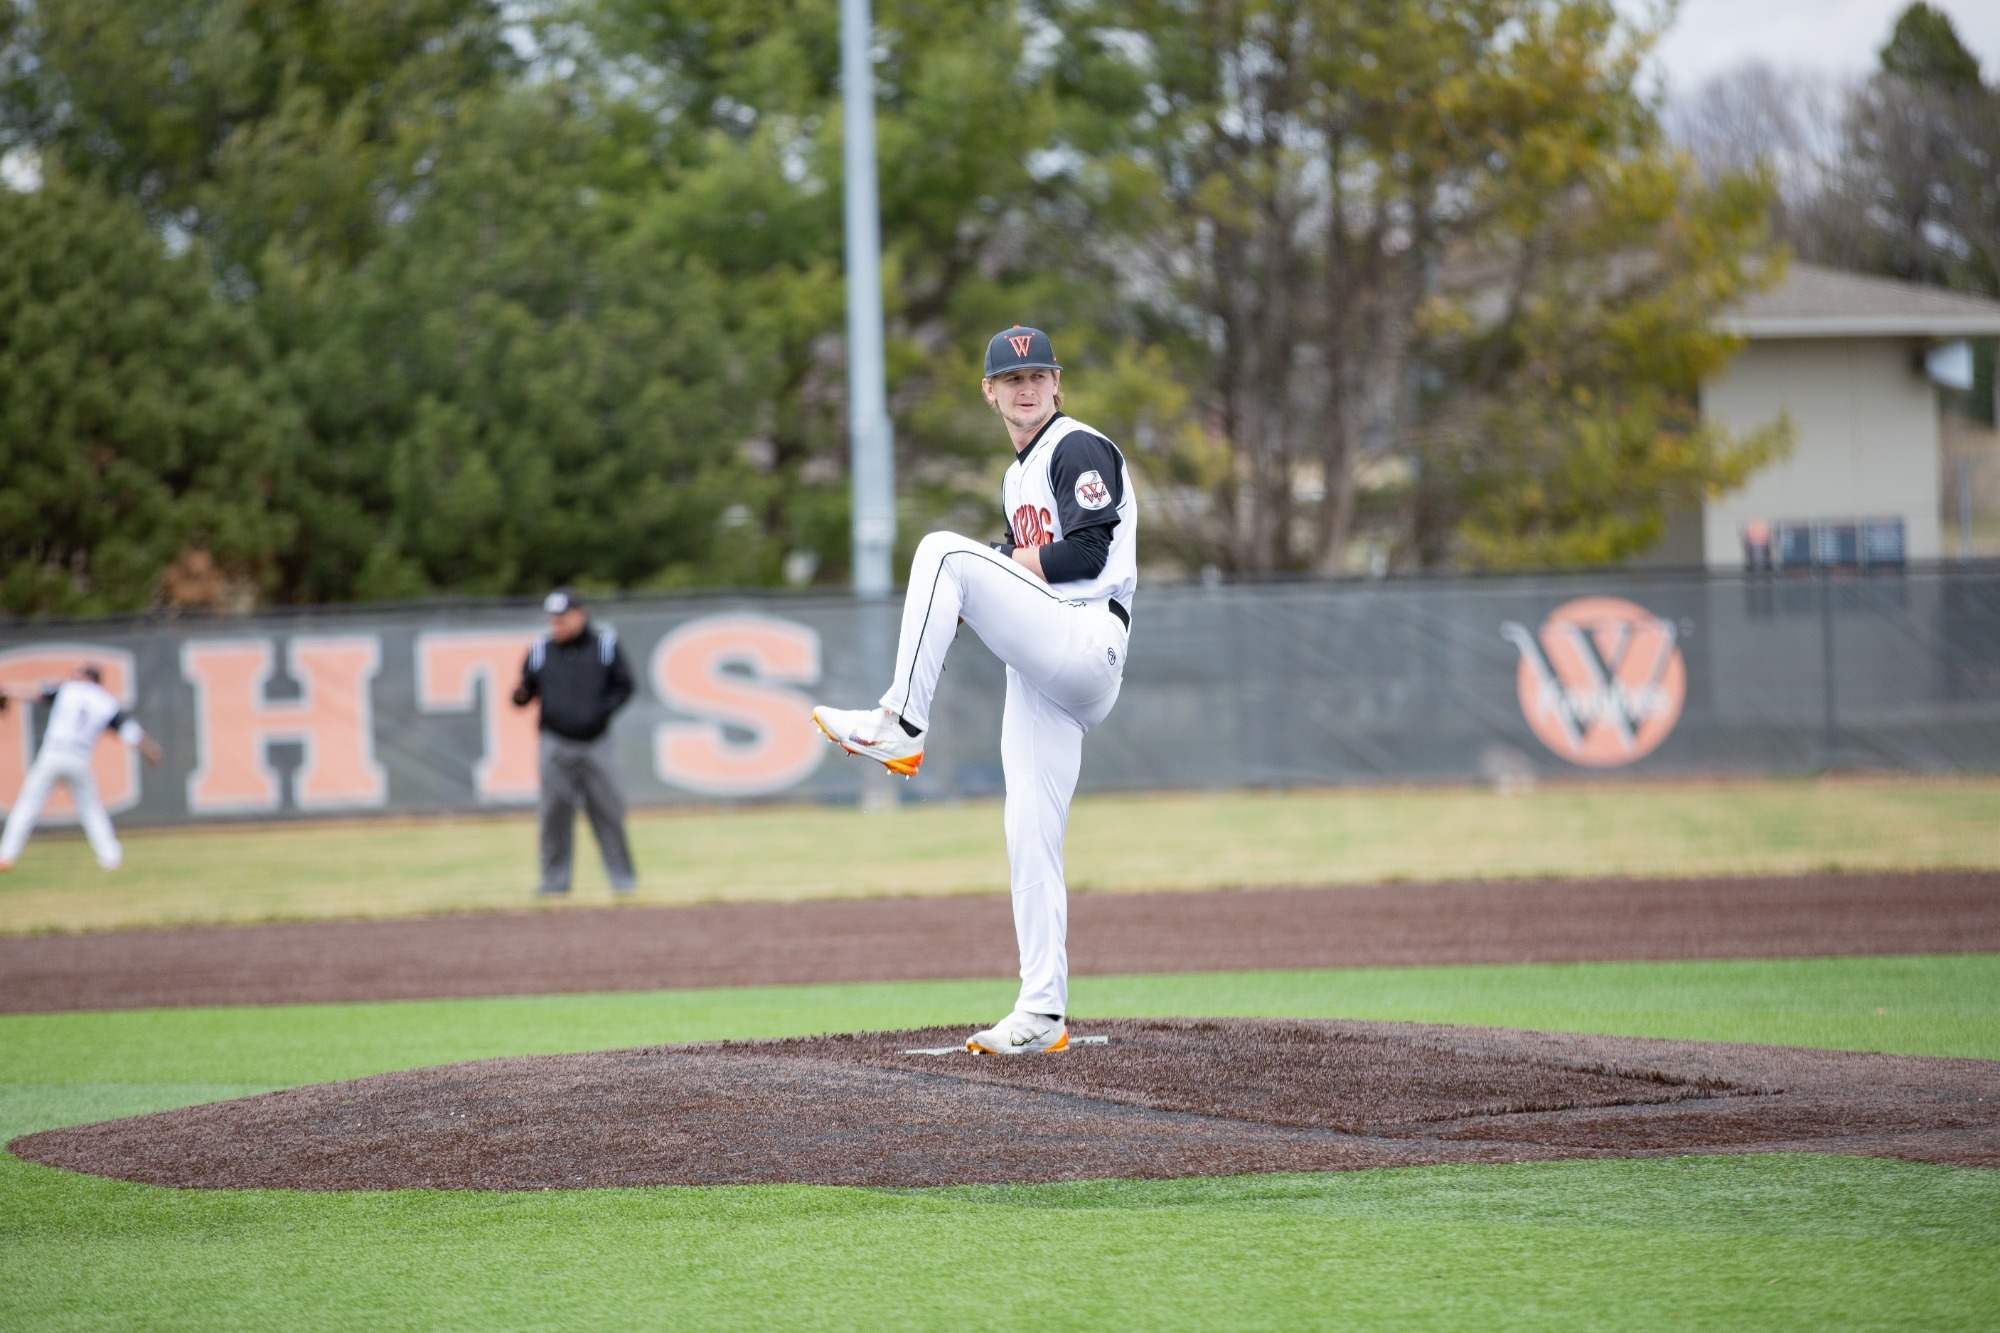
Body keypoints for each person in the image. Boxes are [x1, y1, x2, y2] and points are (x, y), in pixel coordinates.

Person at [813, 326, 1135, 1055]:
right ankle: (1042, 1011)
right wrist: (983, 579)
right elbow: (1016, 573)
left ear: (1058, 384)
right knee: (1029, 829)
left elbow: (1086, 550)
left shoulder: (1075, 446)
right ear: (989, 392)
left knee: (939, 550)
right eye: (1011, 378)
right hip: (1048, 665)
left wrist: (989, 564)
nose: (1026, 387)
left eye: (1038, 375)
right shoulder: (1015, 476)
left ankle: (902, 721)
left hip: (1087, 635)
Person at [512, 588, 638, 897]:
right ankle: (555, 882)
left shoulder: (604, 645)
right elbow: (526, 687)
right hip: (555, 741)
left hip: (597, 741)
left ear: (580, 615)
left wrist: (600, 713)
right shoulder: (541, 650)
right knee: (554, 812)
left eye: (562, 618)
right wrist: (521, 695)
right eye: (552, 619)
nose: (557, 625)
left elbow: (625, 685)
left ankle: (623, 882)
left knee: (608, 810)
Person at [0, 665, 164, 872]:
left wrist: (7, 689)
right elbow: (130, 732)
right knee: (91, 809)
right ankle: (111, 857)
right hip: (79, 756)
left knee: (27, 805)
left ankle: (6, 855)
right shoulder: (105, 700)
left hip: (53, 752)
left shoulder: (68, 688)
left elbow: (34, 692)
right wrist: (151, 750)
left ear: (87, 677)